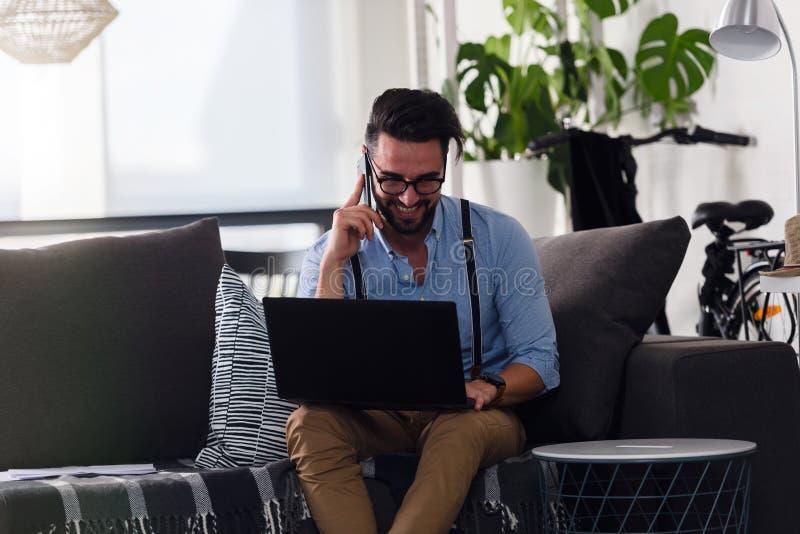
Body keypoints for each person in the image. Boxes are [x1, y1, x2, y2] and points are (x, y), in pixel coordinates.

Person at [286, 88, 559, 534]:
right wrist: (336, 262)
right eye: (392, 180)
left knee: (459, 430)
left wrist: (489, 387)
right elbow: (314, 379)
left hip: (471, 417)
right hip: (377, 418)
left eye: (427, 181)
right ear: (365, 164)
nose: (409, 199)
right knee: (308, 424)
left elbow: (541, 360)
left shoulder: (498, 237)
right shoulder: (329, 252)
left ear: (445, 166)